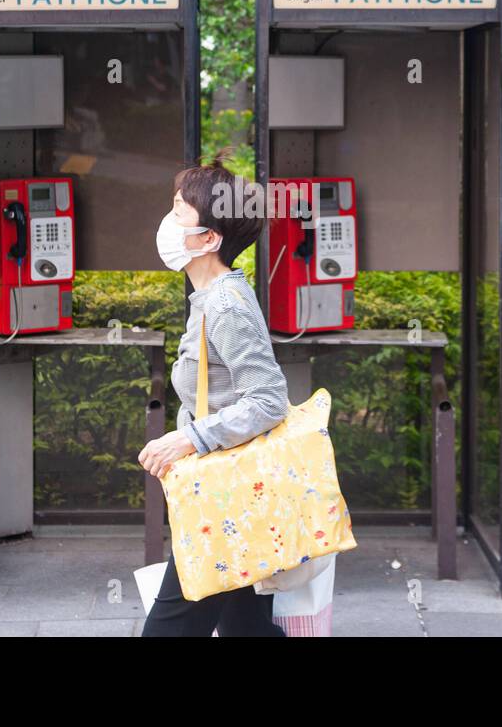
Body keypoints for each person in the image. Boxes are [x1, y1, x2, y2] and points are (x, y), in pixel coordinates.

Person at [138, 149, 290, 637]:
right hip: (229, 498)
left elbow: (267, 398)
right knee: (249, 630)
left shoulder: (225, 304)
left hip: (224, 505)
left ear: (208, 238)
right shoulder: (210, 297)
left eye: (179, 211)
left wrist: (187, 439)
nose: (167, 220)